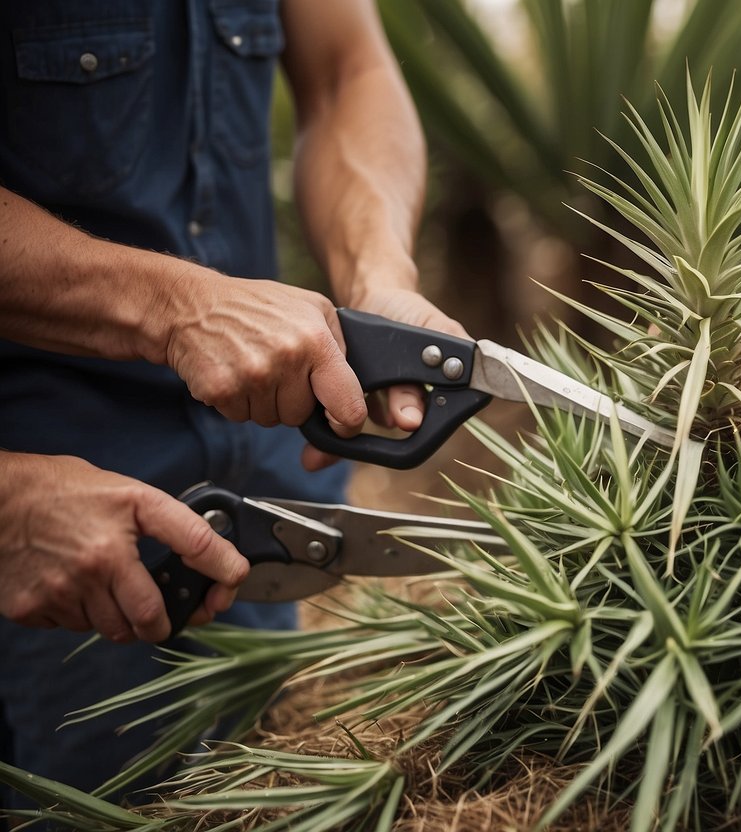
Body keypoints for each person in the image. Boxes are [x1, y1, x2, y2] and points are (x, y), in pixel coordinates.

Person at [0, 0, 462, 805]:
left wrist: (376, 276)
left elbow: (346, 71)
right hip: (52, 520)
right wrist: (174, 308)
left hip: (256, 488)